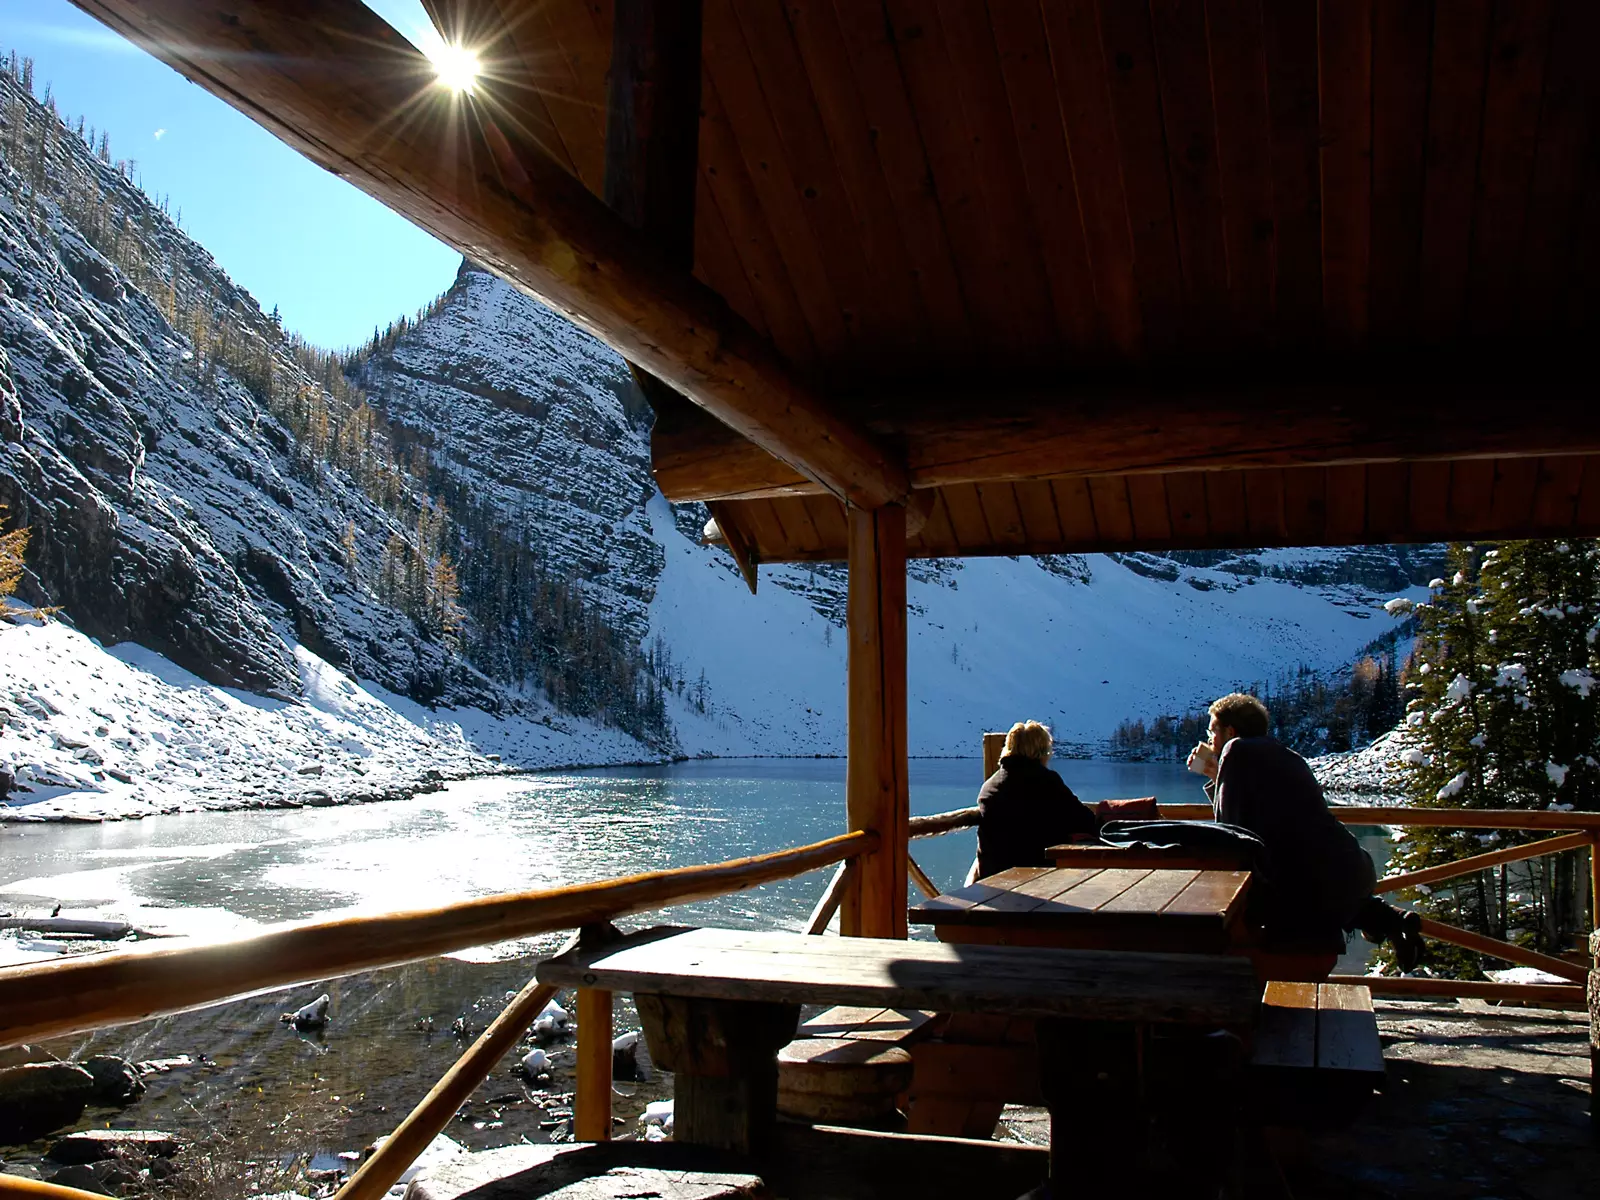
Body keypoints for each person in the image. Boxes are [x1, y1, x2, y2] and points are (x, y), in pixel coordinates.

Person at [1187, 693, 1424, 968]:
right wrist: (1219, 777)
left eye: (1211, 730)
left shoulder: (1235, 750)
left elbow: (1233, 831)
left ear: (1230, 731)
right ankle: (1391, 921)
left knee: (1264, 910)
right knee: (1310, 890)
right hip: (1349, 865)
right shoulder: (1283, 753)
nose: (1209, 738)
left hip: (1320, 879)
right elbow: (1271, 815)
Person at [975, 720, 1099, 879]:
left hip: (992, 875)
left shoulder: (990, 785)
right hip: (1035, 876)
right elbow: (1084, 820)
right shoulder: (1046, 782)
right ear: (1042, 751)